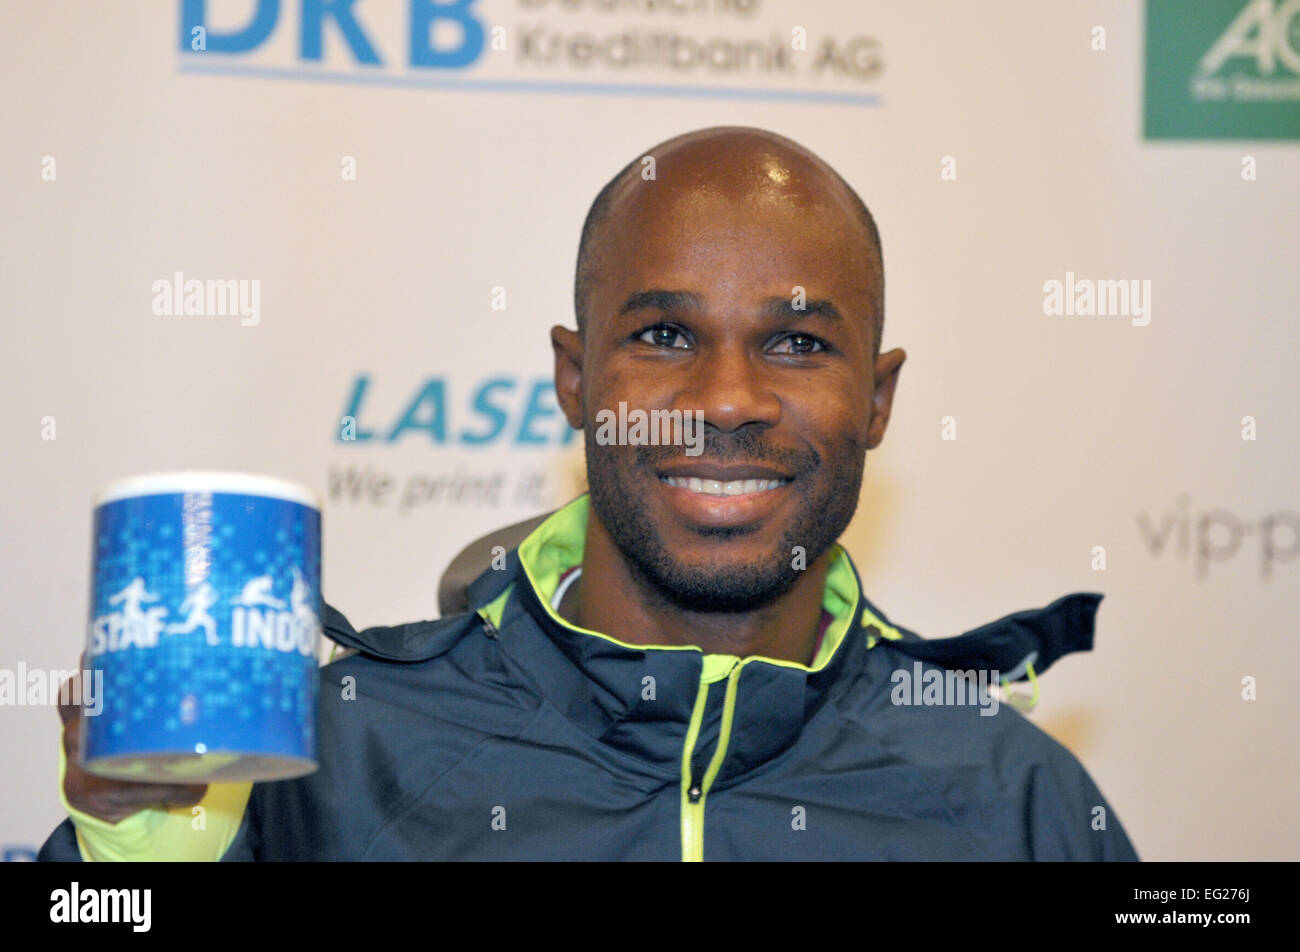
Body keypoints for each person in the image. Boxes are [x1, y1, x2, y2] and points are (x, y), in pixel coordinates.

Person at [39, 126, 1138, 861]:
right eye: (663, 335)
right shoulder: (335, 753)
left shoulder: (1016, 799)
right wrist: (130, 845)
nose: (726, 399)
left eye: (798, 343)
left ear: (879, 398)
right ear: (575, 380)